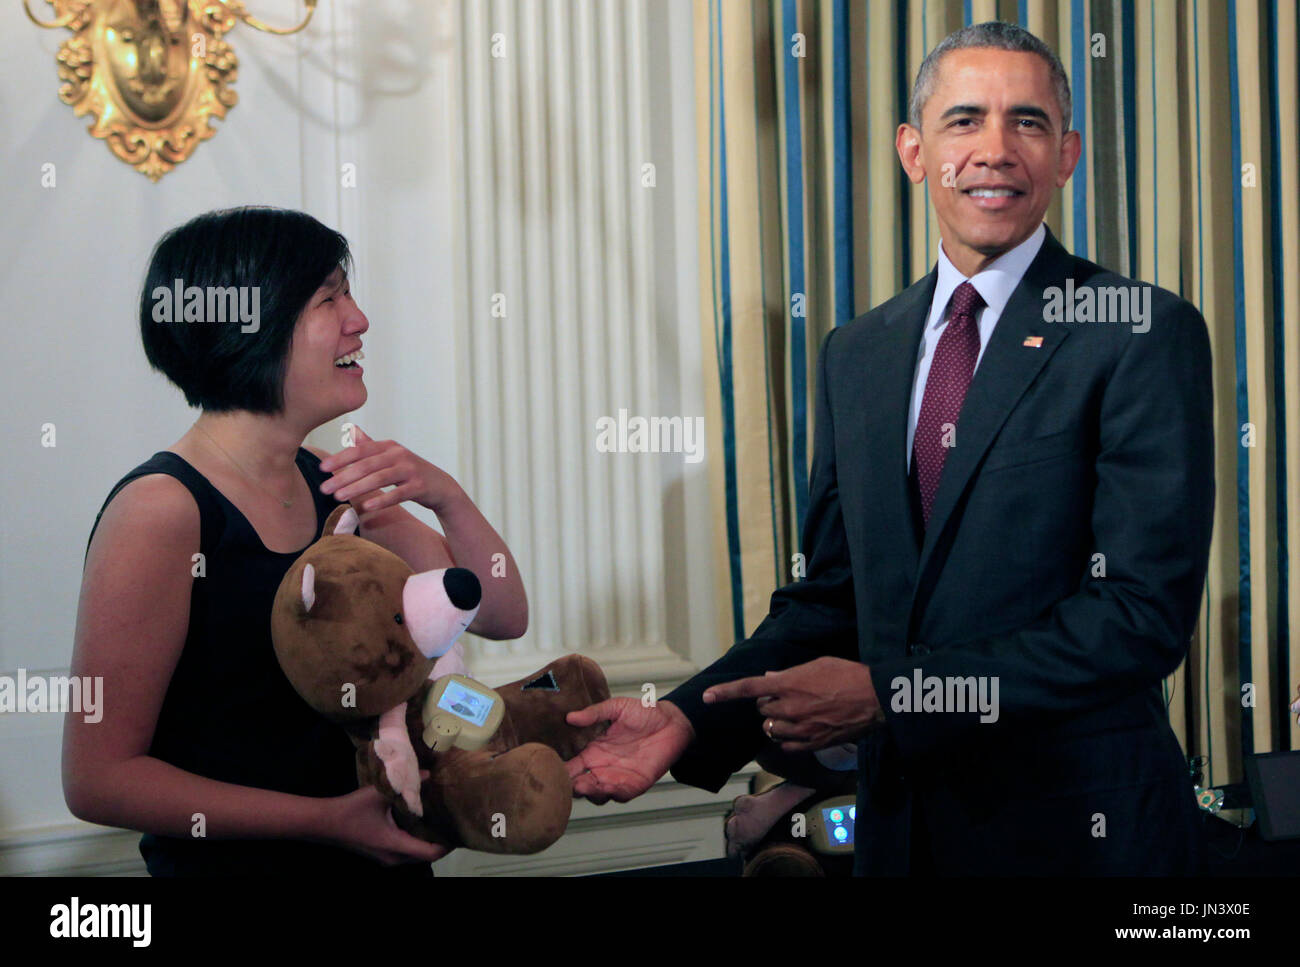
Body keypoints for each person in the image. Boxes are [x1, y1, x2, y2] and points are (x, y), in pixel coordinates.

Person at [566, 21, 1214, 875]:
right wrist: (689, 716)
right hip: (900, 837)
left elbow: (1137, 617)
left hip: (1083, 837)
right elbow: (831, 598)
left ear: (1067, 156)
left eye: (1027, 122)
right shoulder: (857, 351)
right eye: (964, 120)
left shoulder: (1138, 331)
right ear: (913, 152)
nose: (995, 149)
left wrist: (892, 695)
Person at [65, 207, 528, 876]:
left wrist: (446, 495)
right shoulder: (162, 510)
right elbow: (98, 779)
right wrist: (327, 823)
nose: (359, 318)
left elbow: (501, 613)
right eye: (329, 297)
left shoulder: (334, 477)